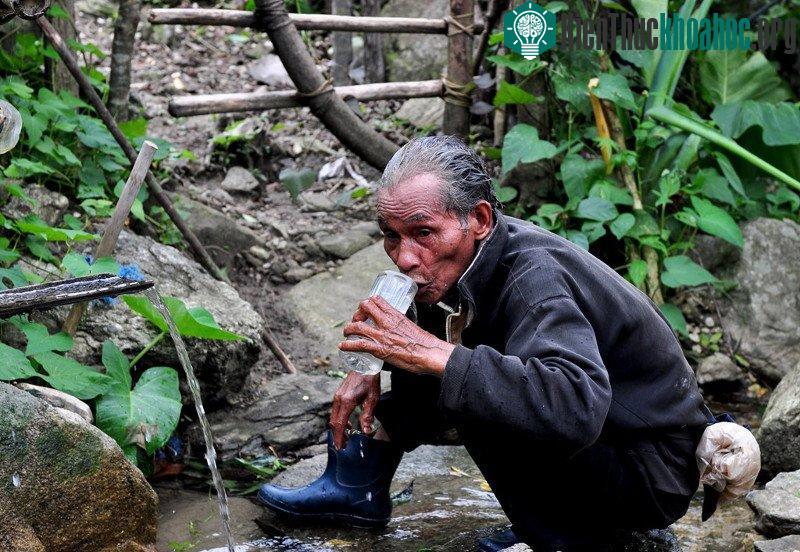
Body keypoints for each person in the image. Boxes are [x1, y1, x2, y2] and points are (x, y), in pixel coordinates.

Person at [258, 135, 709, 551]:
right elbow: (434, 362)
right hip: (612, 440)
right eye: (391, 235)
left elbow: (575, 406)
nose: (404, 256)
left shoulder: (535, 279)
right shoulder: (463, 262)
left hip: (651, 467)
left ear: (478, 219)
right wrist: (374, 362)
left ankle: (561, 534)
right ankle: (358, 486)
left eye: (423, 232)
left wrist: (435, 354)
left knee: (466, 386)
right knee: (443, 369)